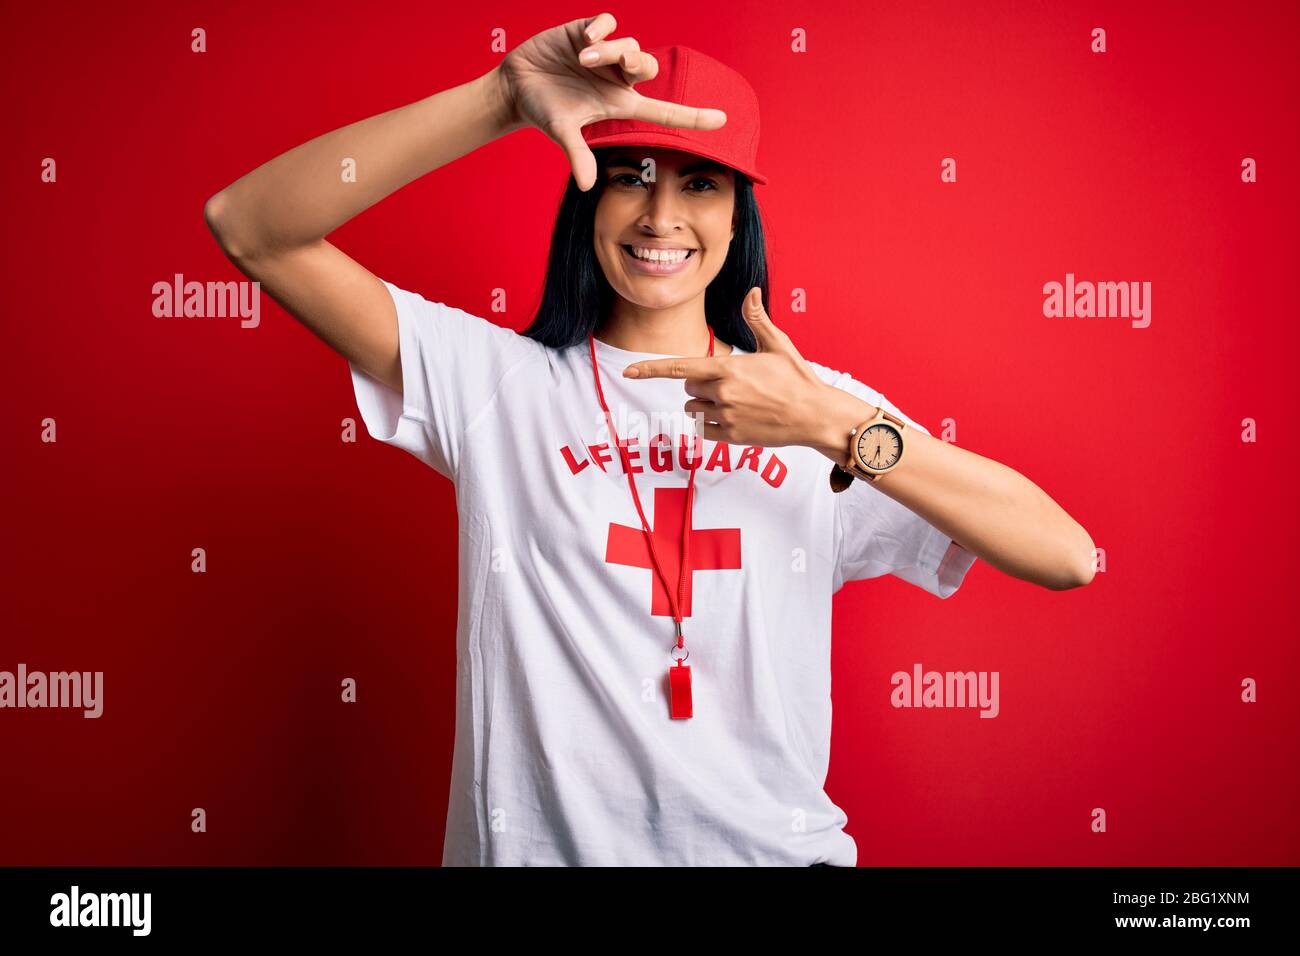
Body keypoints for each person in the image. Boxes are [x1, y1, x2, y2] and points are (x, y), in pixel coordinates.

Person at [204, 12, 1097, 866]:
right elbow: (251, 228)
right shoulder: (496, 385)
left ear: (739, 213)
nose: (659, 215)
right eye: (629, 172)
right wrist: (500, 100)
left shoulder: (815, 411)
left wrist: (830, 424)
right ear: (585, 196)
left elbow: (1066, 555)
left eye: (698, 183)